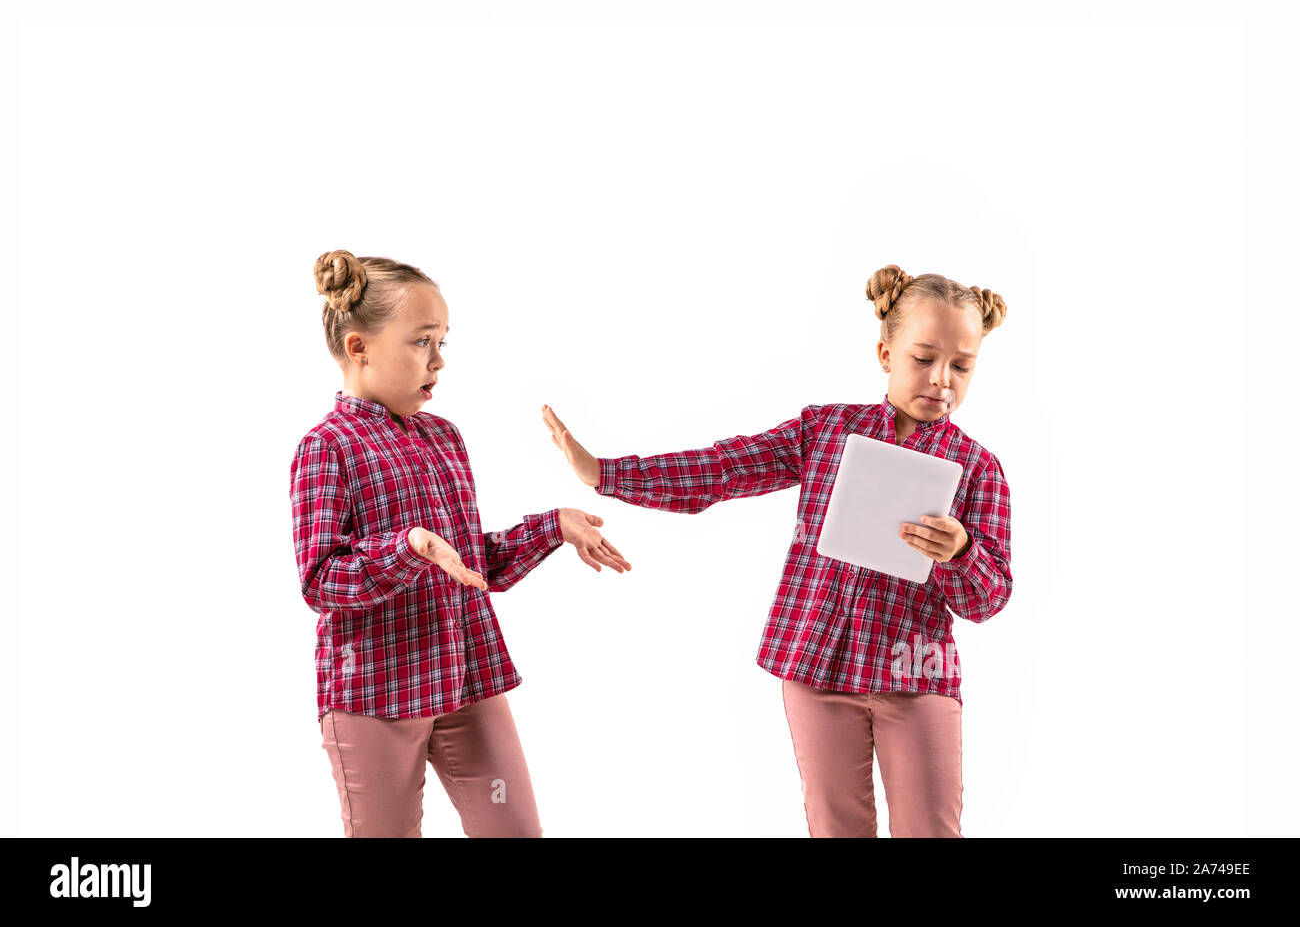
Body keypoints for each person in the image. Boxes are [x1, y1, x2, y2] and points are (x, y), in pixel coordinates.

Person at [541, 264, 1011, 837]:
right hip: (816, 664)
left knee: (931, 830)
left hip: (915, 674)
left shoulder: (980, 470)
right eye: (923, 358)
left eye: (961, 367)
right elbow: (722, 470)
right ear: (885, 354)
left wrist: (960, 551)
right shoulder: (824, 432)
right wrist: (604, 474)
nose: (941, 380)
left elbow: (989, 598)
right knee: (836, 827)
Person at [290, 249, 632, 837]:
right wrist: (407, 548)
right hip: (375, 694)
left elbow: (474, 565)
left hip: (465, 678)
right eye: (422, 341)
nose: (439, 361)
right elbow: (321, 581)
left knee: (516, 829)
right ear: (358, 348)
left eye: (442, 342)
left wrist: (553, 525)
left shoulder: (445, 439)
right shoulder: (327, 447)